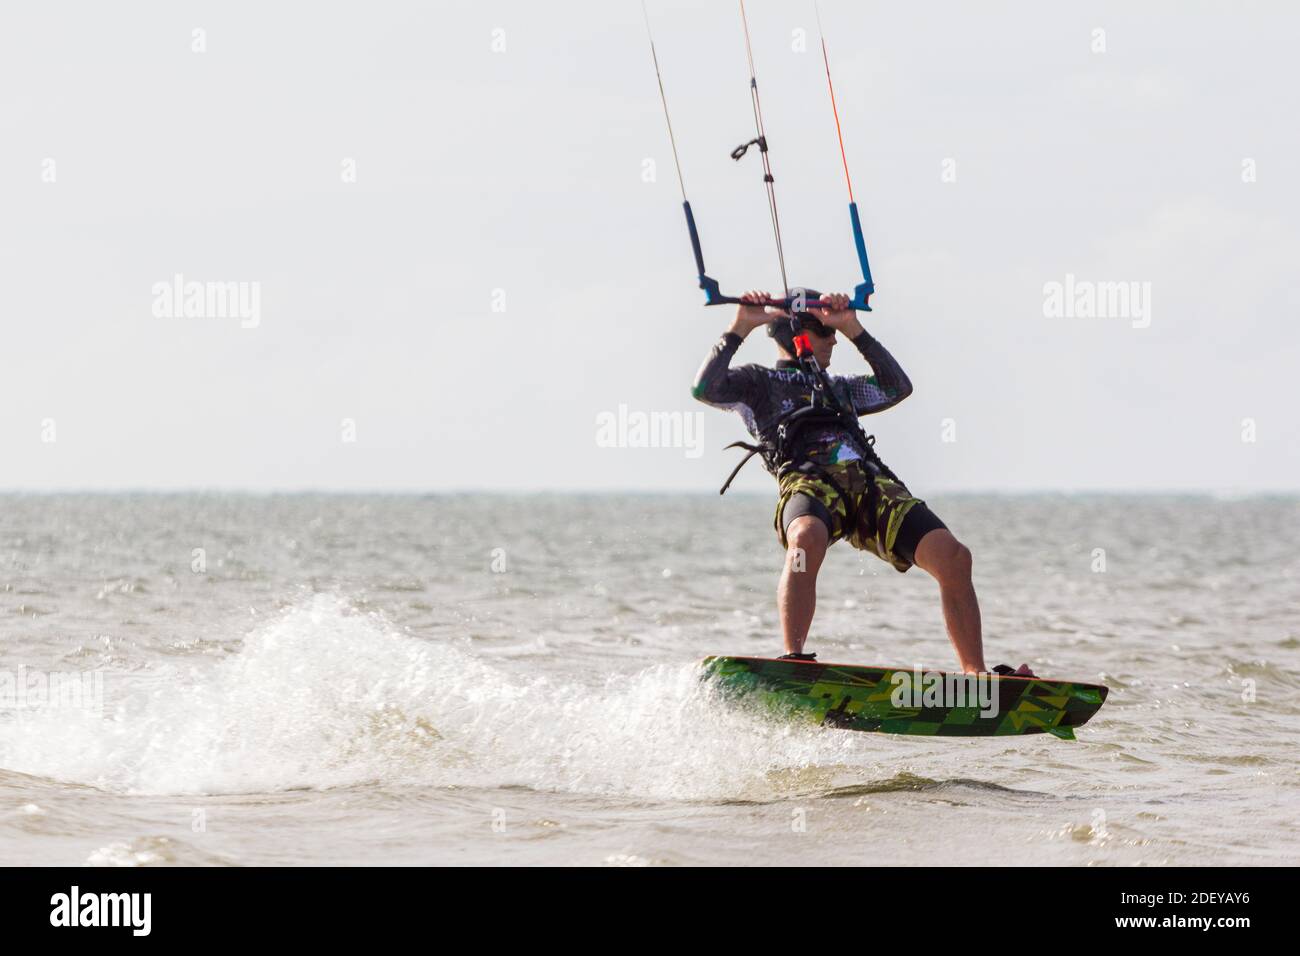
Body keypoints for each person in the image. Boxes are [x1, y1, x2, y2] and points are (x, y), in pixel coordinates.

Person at [692, 288, 1032, 677]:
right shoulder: (759, 384)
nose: (833, 339)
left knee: (954, 556)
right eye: (826, 332)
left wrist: (854, 328)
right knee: (803, 539)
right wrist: (739, 328)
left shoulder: (842, 389)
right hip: (808, 483)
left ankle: (976, 672)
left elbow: (897, 388)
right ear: (799, 336)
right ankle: (795, 659)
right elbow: (705, 389)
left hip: (869, 486)